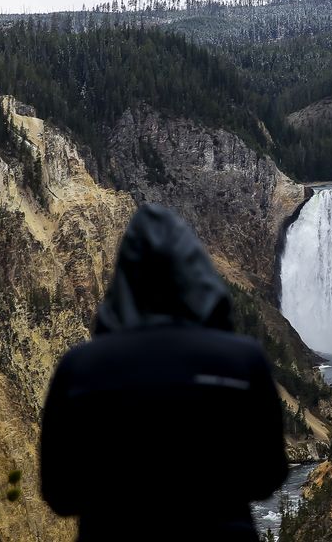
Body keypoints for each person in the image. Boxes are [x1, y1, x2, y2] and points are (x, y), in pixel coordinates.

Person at [40, 204, 287, 541]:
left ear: (124, 282)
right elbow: (268, 476)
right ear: (198, 275)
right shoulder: (243, 361)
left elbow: (60, 494)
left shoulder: (79, 368)